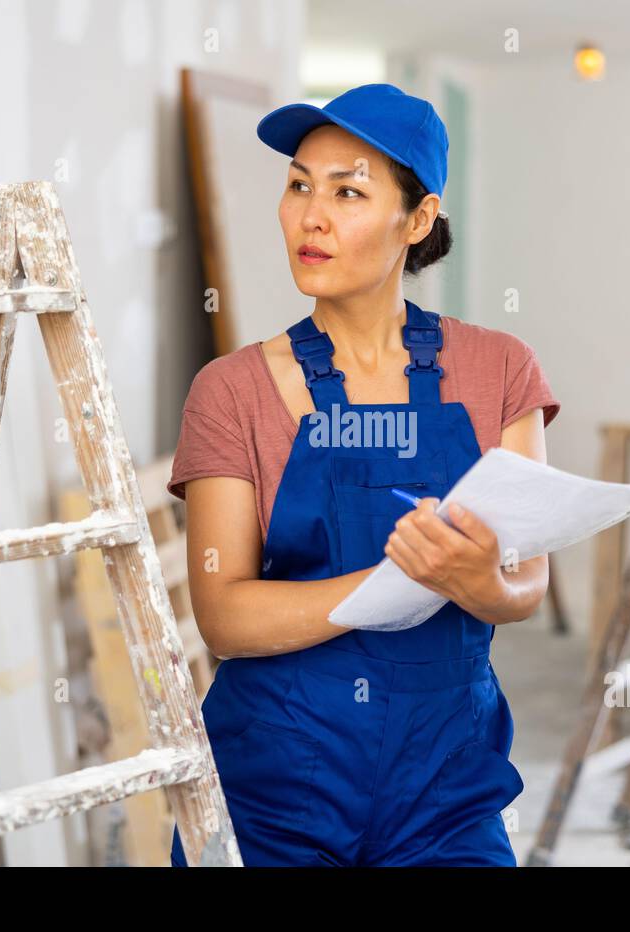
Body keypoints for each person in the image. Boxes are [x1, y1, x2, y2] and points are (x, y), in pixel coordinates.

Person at [167, 83, 560, 866]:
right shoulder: (231, 390)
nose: (311, 216)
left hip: (448, 788)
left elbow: (526, 585)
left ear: (417, 220)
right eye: (298, 186)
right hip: (275, 787)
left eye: (347, 191)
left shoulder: (500, 371)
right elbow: (224, 616)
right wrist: (400, 583)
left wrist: (477, 578)